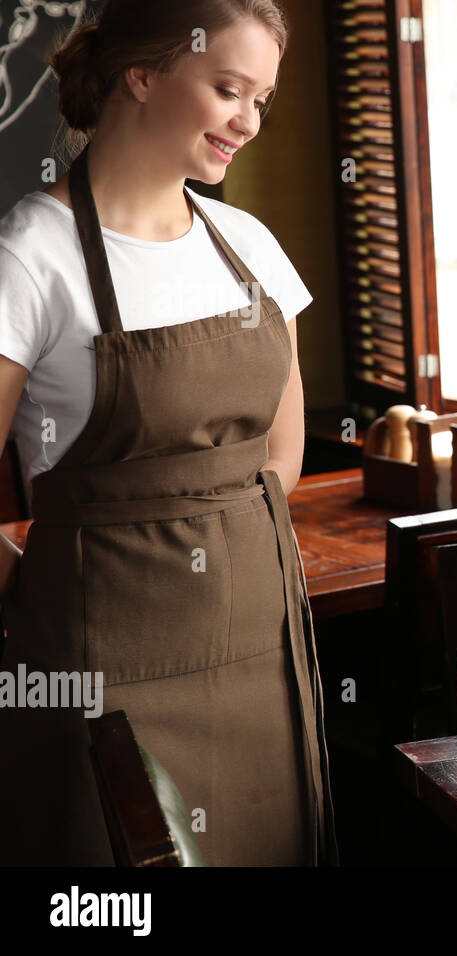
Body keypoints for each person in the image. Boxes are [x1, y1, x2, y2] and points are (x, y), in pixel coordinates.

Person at [0, 0, 336, 865]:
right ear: (143, 75)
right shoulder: (30, 254)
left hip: (261, 654)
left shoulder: (249, 245)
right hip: (100, 672)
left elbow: (280, 456)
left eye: (261, 99)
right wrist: (30, 592)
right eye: (229, 88)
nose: (248, 121)